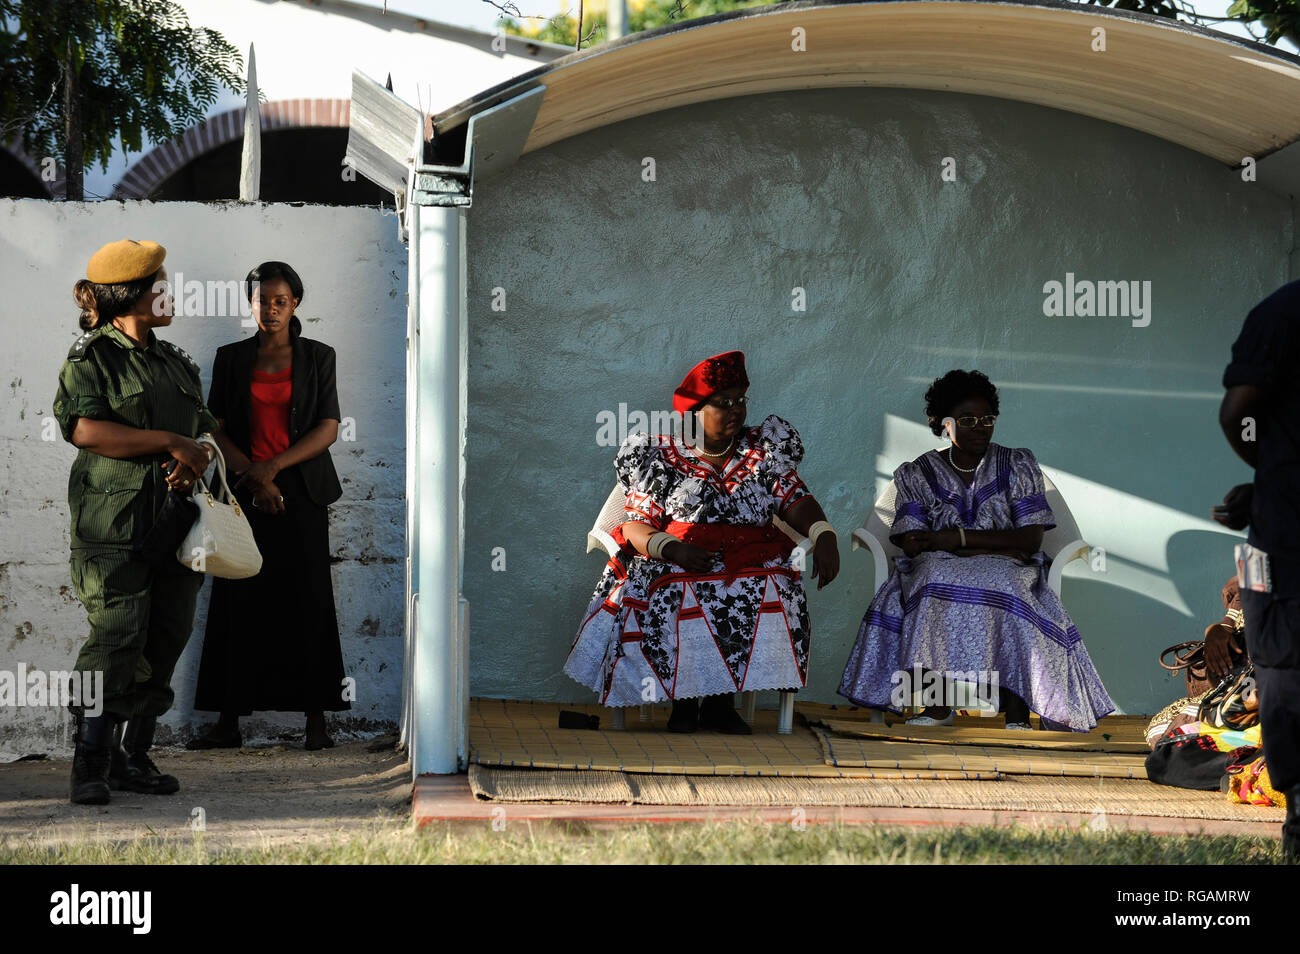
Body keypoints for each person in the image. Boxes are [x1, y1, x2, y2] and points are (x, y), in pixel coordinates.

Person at [565, 351, 839, 733]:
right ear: (695, 409)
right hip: (677, 555)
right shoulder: (661, 457)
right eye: (723, 403)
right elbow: (635, 527)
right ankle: (684, 703)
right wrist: (674, 549)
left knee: (767, 583)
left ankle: (719, 705)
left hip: (748, 558)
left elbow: (796, 500)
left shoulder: (762, 454)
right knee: (677, 587)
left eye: (741, 400)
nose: (736, 411)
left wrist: (823, 534)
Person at [838, 370, 1115, 731]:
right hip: (943, 566)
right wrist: (989, 543)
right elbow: (912, 541)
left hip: (1006, 571)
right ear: (944, 424)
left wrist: (954, 540)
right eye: (967, 420)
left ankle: (1017, 712)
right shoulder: (918, 473)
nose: (980, 427)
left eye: (987, 419)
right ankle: (936, 705)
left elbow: (1030, 541)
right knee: (932, 579)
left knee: (1012, 588)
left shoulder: (1017, 465)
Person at [52, 239, 219, 804]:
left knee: (167, 634)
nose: (170, 293)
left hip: (175, 523)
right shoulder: (91, 358)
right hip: (114, 525)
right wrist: (170, 442)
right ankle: (90, 763)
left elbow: (204, 427)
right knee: (117, 637)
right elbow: (86, 430)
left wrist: (194, 454)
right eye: (160, 285)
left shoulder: (174, 363)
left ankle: (132, 758)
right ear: (129, 295)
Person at [187, 262, 347, 751]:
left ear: (295, 303)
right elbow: (214, 424)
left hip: (301, 491)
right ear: (250, 303)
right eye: (261, 300)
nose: (270, 309)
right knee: (239, 599)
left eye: (280, 301)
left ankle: (316, 722)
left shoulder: (318, 356)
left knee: (309, 600)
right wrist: (252, 477)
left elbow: (328, 427)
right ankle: (228, 722)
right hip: (244, 492)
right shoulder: (231, 358)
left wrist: (272, 469)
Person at [1217, 278, 1300, 860]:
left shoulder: (1279, 310)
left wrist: (1272, 476)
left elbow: (1236, 413)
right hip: (1273, 521)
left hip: (1282, 530)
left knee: (1279, 661)